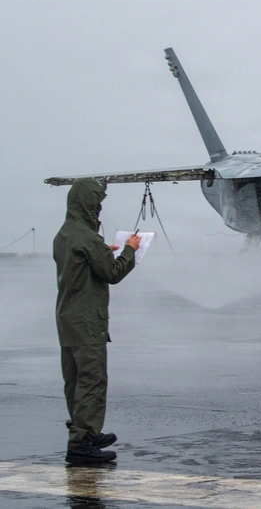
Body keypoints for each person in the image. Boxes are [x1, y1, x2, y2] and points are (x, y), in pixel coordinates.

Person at [54, 178, 141, 465]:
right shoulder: (88, 237)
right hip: (87, 320)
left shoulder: (65, 234)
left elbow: (84, 266)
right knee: (92, 380)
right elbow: (112, 274)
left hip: (67, 317)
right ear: (89, 204)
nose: (99, 209)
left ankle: (84, 430)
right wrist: (130, 250)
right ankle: (82, 442)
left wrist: (104, 250)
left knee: (75, 379)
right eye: (97, 203)